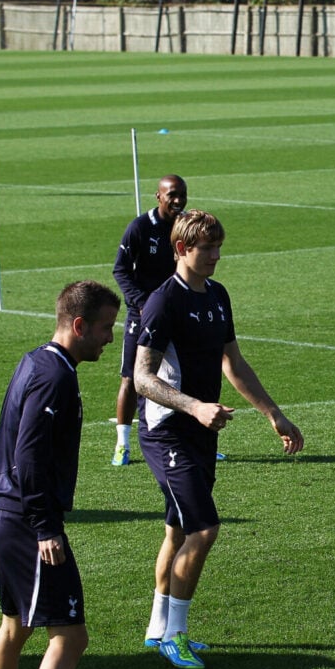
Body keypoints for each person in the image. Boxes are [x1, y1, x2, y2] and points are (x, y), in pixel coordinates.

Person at [134, 210, 304, 669]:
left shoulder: (217, 295)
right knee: (204, 529)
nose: (216, 256)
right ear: (181, 249)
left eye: (218, 247)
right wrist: (194, 406)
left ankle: (157, 627)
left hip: (202, 430)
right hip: (167, 431)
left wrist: (274, 413)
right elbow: (141, 378)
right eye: (207, 248)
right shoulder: (163, 302)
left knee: (177, 528)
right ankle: (176, 635)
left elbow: (234, 362)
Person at [0, 280, 121, 669]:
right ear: (79, 325)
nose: (111, 337)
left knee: (15, 625)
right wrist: (46, 528)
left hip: (3, 514)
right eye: (105, 327)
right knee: (70, 635)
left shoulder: (35, 361)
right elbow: (30, 456)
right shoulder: (55, 377)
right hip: (28, 521)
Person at [111, 174, 188, 466]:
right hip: (142, 314)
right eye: (172, 195)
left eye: (182, 194)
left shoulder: (186, 226)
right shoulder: (140, 227)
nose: (178, 200)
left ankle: (188, 440)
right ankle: (122, 444)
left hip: (177, 312)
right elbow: (120, 270)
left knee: (184, 375)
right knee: (132, 377)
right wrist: (142, 303)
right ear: (158, 196)